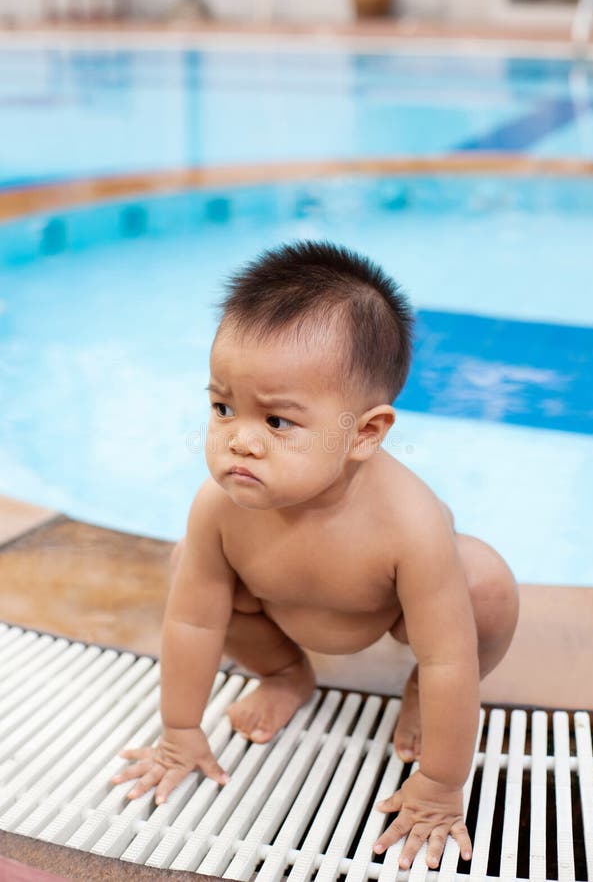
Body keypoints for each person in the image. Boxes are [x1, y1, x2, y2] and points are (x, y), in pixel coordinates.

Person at [112, 241, 518, 870]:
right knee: (189, 572)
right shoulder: (219, 508)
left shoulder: (407, 523)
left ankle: (409, 696)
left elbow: (449, 659)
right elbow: (193, 623)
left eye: (277, 422)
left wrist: (440, 786)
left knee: (486, 584)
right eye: (223, 407)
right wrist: (179, 732)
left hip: (392, 613)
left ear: (364, 434)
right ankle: (285, 673)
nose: (238, 440)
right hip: (282, 609)